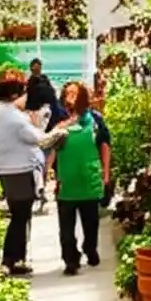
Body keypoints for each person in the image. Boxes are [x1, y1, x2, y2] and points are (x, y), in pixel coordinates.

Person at [0, 70, 62, 276]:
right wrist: (59, 132)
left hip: (8, 169)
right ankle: (8, 260)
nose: (26, 98)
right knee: (20, 217)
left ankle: (17, 259)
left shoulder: (0, 112)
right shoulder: (13, 116)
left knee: (20, 216)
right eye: (24, 93)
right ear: (15, 95)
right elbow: (40, 139)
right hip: (19, 171)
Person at [47, 82, 109, 275]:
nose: (70, 98)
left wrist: (105, 173)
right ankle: (70, 260)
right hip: (66, 182)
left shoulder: (95, 120)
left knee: (90, 223)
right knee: (66, 230)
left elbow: (104, 146)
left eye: (74, 94)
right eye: (67, 94)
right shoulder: (59, 121)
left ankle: (90, 249)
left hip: (89, 179)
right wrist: (46, 171)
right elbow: (52, 149)